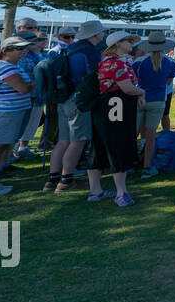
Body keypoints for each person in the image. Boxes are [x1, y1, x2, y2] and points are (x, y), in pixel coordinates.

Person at [85, 31, 143, 207]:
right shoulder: (116, 64)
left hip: (108, 108)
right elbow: (128, 88)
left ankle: (95, 191)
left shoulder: (112, 62)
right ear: (117, 44)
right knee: (118, 147)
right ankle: (121, 192)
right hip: (115, 108)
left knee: (100, 146)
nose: (132, 43)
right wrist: (142, 92)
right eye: (128, 40)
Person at [45, 20, 103, 193]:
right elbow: (94, 76)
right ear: (95, 34)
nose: (102, 35)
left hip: (64, 97)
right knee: (78, 140)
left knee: (63, 140)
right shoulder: (90, 51)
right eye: (101, 33)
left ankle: (52, 180)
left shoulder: (71, 49)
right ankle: (66, 181)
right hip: (79, 99)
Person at [0, 35, 35, 197]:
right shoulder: (6, 67)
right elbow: (23, 88)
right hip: (5, 112)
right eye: (20, 48)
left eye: (25, 48)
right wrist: (33, 84)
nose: (24, 51)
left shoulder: (13, 66)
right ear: (6, 51)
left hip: (11, 112)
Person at [132, 30, 175, 177]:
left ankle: (129, 165)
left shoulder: (139, 62)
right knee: (151, 135)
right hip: (158, 100)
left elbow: (134, 80)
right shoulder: (169, 62)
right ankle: (147, 167)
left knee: (134, 132)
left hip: (140, 98)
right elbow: (168, 82)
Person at [13, 32, 46, 160]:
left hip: (36, 95)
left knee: (31, 123)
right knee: (19, 124)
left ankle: (23, 148)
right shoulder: (21, 58)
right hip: (25, 95)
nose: (34, 43)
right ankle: (12, 150)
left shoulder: (36, 55)